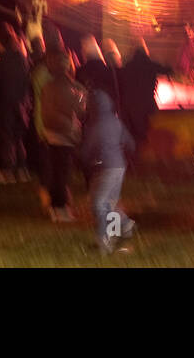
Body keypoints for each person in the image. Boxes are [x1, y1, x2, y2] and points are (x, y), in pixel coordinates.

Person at [80, 53, 137, 253]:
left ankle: (105, 242)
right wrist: (129, 151)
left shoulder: (94, 126)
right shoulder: (115, 121)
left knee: (99, 203)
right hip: (119, 166)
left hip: (105, 168)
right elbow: (129, 141)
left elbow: (87, 150)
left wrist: (84, 162)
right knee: (111, 202)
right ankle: (121, 229)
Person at [32, 43, 86, 220]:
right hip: (66, 135)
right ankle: (62, 208)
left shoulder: (48, 86)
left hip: (50, 133)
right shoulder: (73, 87)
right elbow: (81, 110)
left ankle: (55, 208)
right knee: (63, 173)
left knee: (55, 172)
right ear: (68, 65)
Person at [0, 24, 32, 184]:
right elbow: (26, 83)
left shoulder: (2, 62)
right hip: (21, 105)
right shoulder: (22, 58)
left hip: (5, 106)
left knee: (7, 140)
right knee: (18, 138)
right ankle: (22, 171)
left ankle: (8, 172)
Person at [118, 39, 171, 149]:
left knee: (136, 134)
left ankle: (136, 157)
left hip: (131, 106)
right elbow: (168, 70)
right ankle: (147, 153)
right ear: (145, 50)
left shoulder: (128, 66)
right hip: (147, 105)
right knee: (147, 132)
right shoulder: (151, 64)